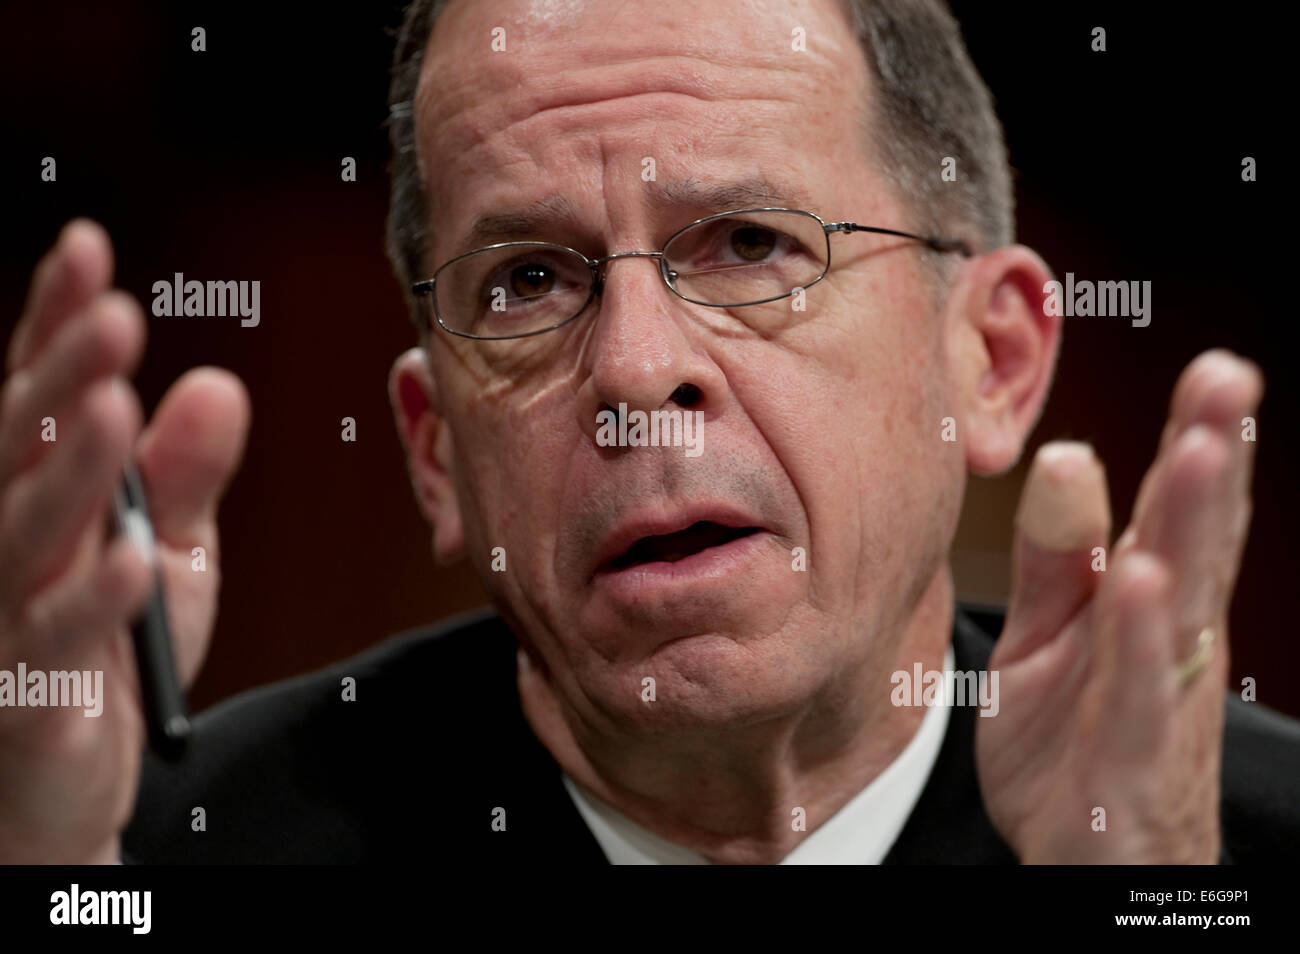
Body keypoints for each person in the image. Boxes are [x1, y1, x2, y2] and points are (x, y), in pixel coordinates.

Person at [2, 0, 1296, 866]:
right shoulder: (148, 848)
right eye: (526, 282)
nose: (633, 371)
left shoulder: (1230, 840)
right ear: (437, 454)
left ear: (994, 359)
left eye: (749, 246)